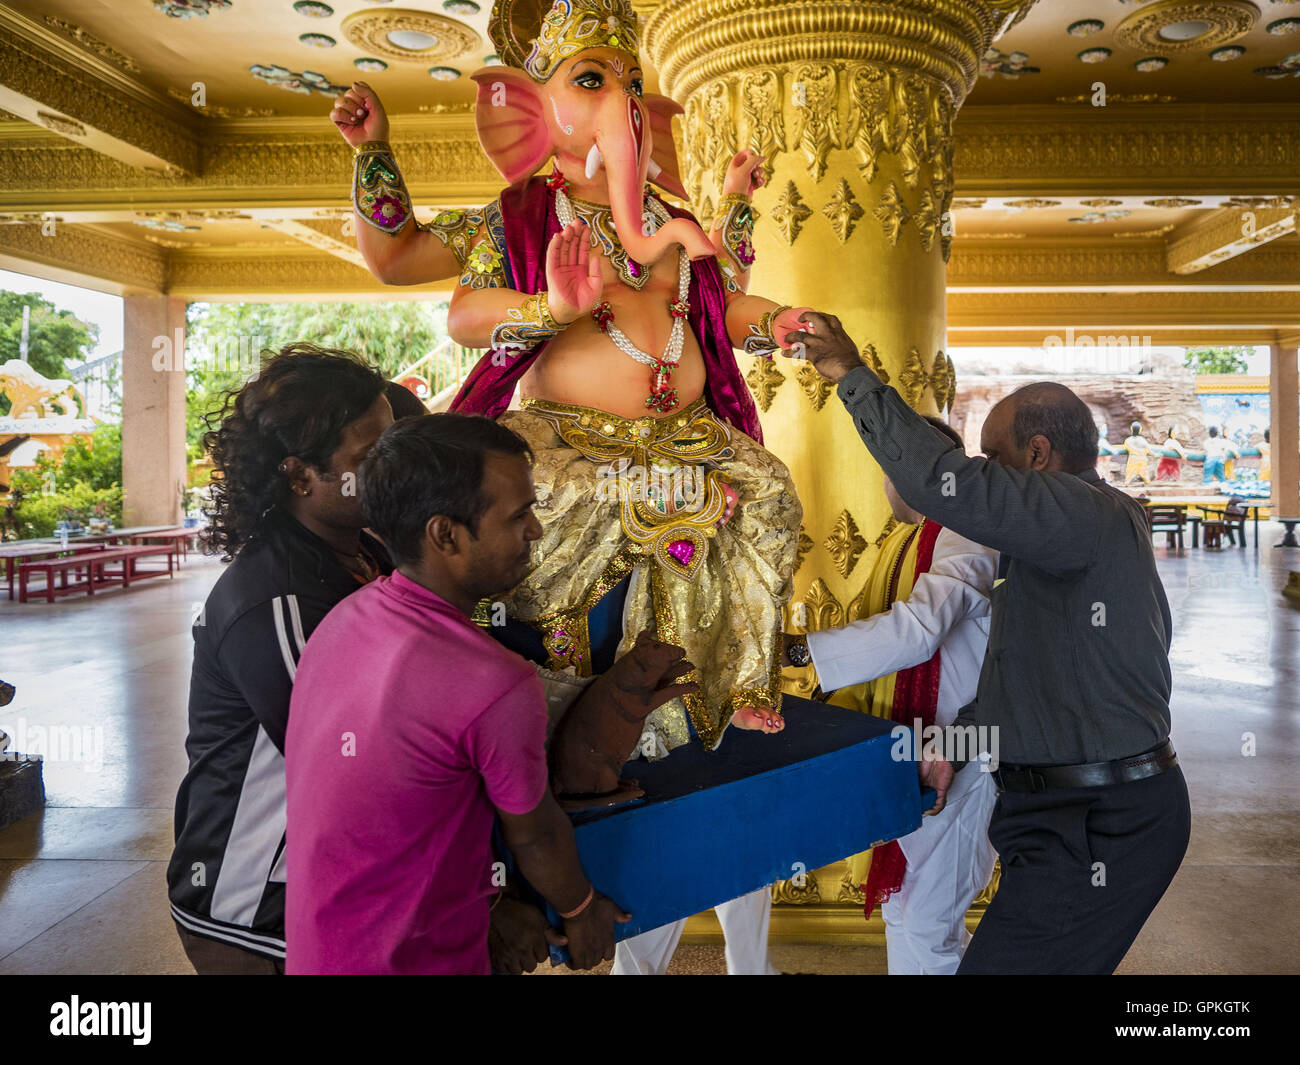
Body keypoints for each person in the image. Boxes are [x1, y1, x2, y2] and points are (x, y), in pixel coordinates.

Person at [782, 313, 1190, 975]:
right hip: (1064, 813)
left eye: (993, 463)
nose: (983, 483)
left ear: (1036, 455)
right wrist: (958, 743)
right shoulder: (1064, 543)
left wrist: (850, 376)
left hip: (1100, 820)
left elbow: (944, 497)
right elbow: (1028, 685)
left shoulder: (1085, 514)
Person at [284, 413, 631, 974]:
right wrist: (583, 908)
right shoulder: (493, 681)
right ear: (445, 534)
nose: (537, 530)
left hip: (322, 950)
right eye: (518, 515)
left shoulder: (346, 619)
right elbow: (536, 834)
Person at [167, 344, 394, 974]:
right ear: (300, 476)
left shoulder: (366, 550)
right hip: (257, 902)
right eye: (371, 457)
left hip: (323, 879)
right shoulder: (279, 599)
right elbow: (359, 769)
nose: (396, 468)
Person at [781, 417, 998, 975]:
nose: (885, 481)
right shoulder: (906, 539)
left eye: (891, 467)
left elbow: (918, 630)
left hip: (960, 748)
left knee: (929, 922)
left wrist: (798, 652)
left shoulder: (966, 533)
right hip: (913, 751)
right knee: (906, 909)